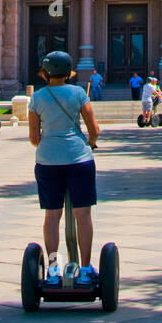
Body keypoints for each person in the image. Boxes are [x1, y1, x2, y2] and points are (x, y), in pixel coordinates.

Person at [28, 50, 100, 286]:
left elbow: (33, 137)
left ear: (46, 72)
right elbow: (94, 130)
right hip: (79, 159)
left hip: (48, 161)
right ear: (68, 71)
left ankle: (52, 270)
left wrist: (49, 142)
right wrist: (88, 143)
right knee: (83, 214)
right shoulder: (79, 93)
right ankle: (87, 269)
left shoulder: (37, 98)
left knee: (52, 215)